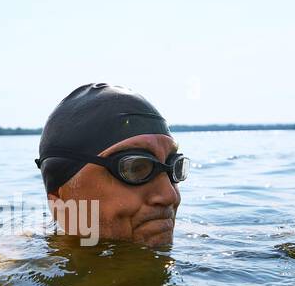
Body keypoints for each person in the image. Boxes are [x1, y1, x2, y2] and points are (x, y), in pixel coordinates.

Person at [36, 82, 188, 249]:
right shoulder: (10, 265)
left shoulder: (200, 240)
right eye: (134, 168)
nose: (170, 196)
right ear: (60, 202)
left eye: (174, 167)